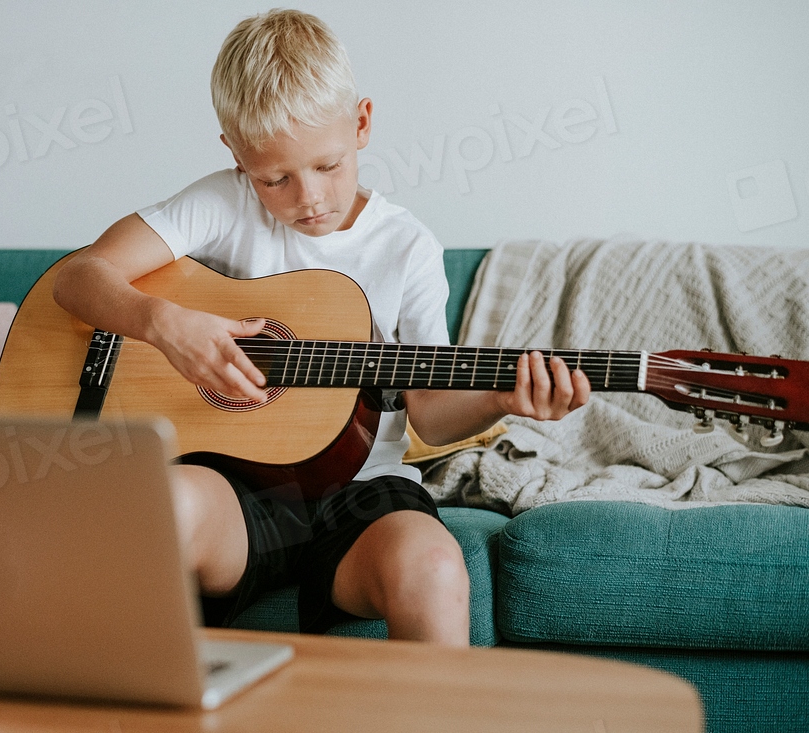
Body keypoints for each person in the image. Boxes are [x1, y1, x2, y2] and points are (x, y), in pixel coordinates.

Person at [53, 9, 590, 647]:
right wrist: (165, 324)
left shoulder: (405, 247)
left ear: (361, 123)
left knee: (434, 569)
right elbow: (78, 277)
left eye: (328, 166)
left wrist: (503, 398)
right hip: (234, 490)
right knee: (158, 507)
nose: (307, 197)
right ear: (235, 153)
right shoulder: (223, 204)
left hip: (362, 495)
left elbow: (430, 415)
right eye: (275, 178)